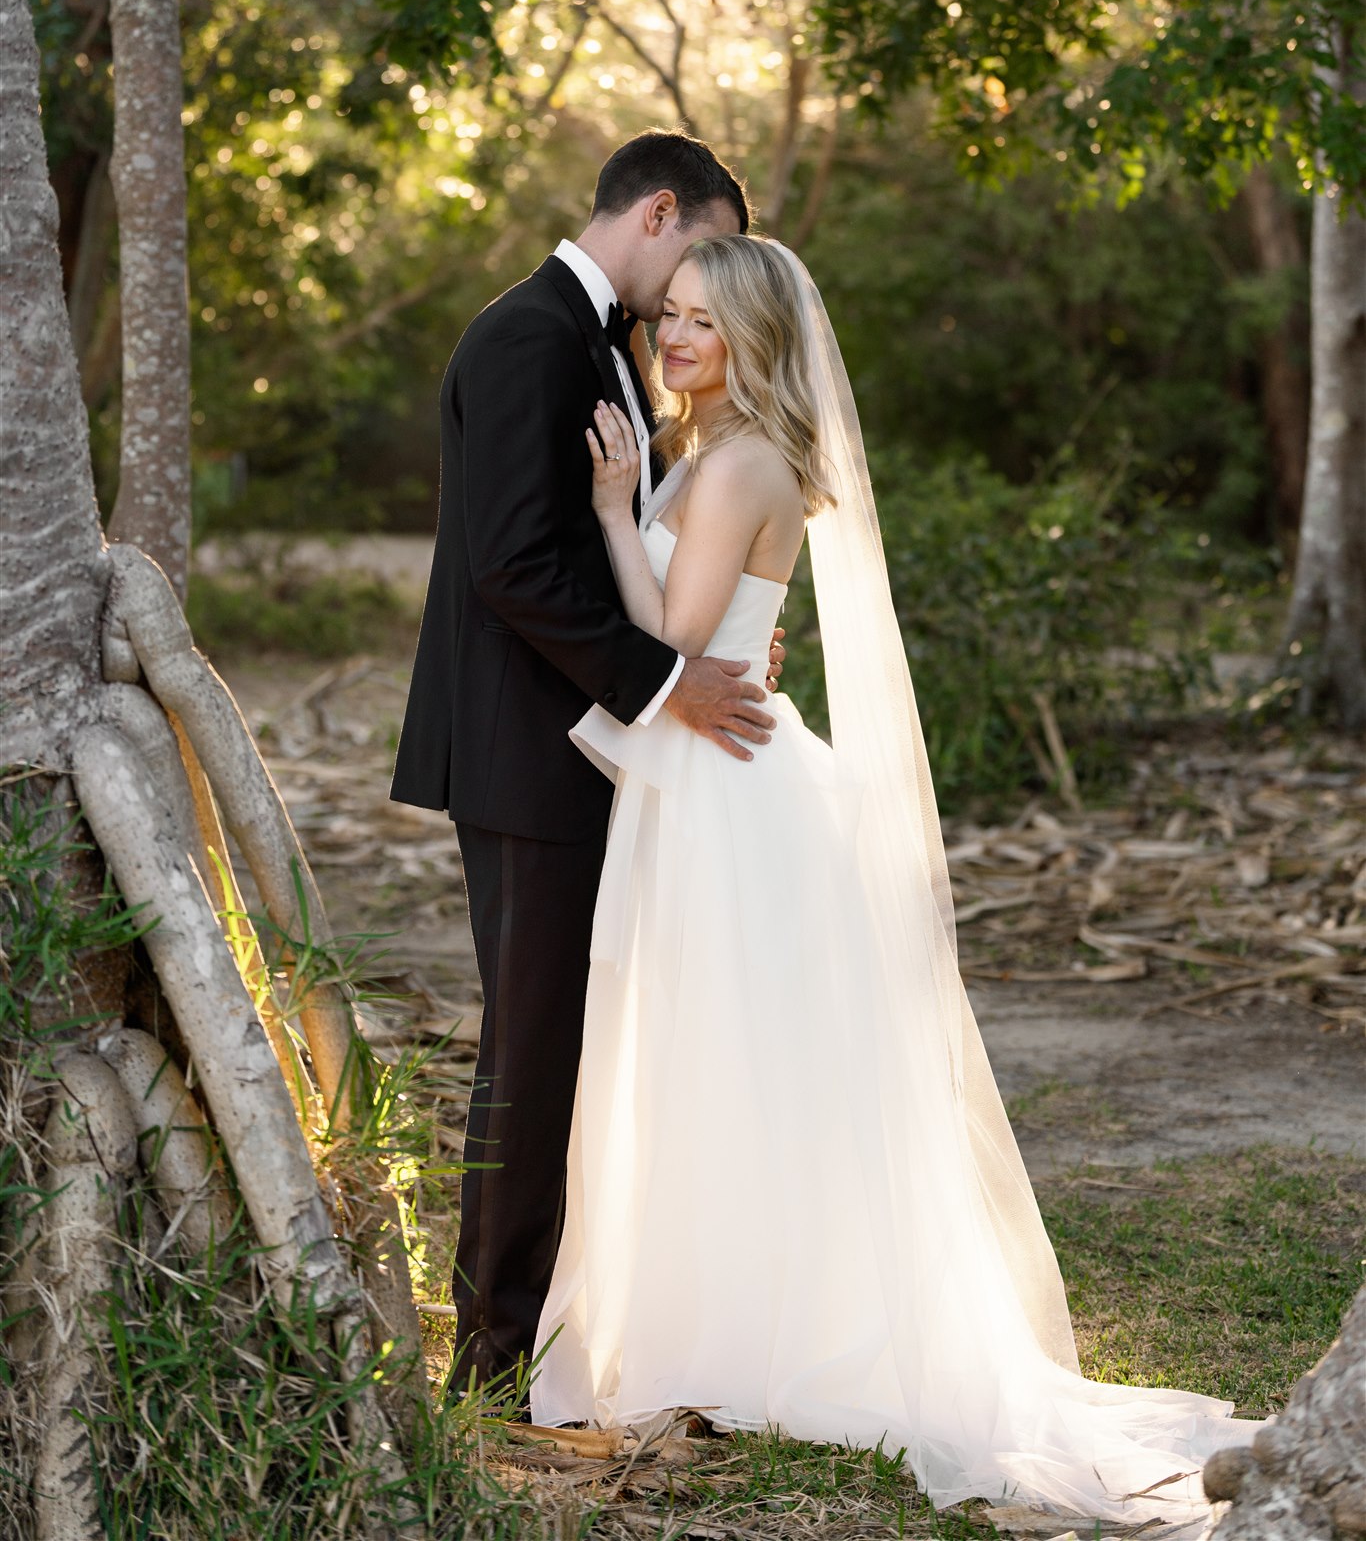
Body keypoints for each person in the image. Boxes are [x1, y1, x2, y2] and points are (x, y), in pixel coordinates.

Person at [531, 233, 1259, 1531]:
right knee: (732, 1055)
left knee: (722, 1051)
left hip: (723, 798)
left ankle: (746, 1325)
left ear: (752, 339)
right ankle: (723, 1302)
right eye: (672, 316)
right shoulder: (729, 454)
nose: (673, 338)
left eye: (701, 322)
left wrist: (605, 508)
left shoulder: (737, 458)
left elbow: (669, 642)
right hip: (722, 777)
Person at [390, 131, 784, 1394]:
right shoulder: (530, 337)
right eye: (701, 251)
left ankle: (557, 1320)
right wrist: (668, 683)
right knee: (533, 1048)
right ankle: (491, 1358)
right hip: (528, 755)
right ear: (660, 211)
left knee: (574, 1041)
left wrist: (698, 650)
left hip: (590, 752)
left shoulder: (593, 336)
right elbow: (512, 564)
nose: (695, 295)